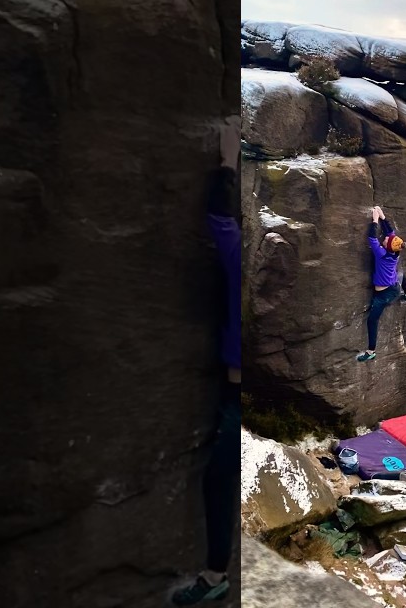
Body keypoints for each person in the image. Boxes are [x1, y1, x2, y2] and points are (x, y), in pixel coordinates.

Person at [172, 128, 240, 606]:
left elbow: (220, 219)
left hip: (236, 396)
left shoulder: (241, 260)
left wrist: (228, 165)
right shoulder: (246, 263)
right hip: (232, 390)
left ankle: (217, 574)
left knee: (219, 480)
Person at [357, 206, 406, 362]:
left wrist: (374, 220)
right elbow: (390, 231)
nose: (384, 238)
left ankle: (371, 351)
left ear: (387, 246)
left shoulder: (381, 254)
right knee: (401, 274)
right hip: (393, 286)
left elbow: (372, 238)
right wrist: (383, 217)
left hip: (384, 295)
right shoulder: (394, 251)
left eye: (386, 240)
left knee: (372, 320)